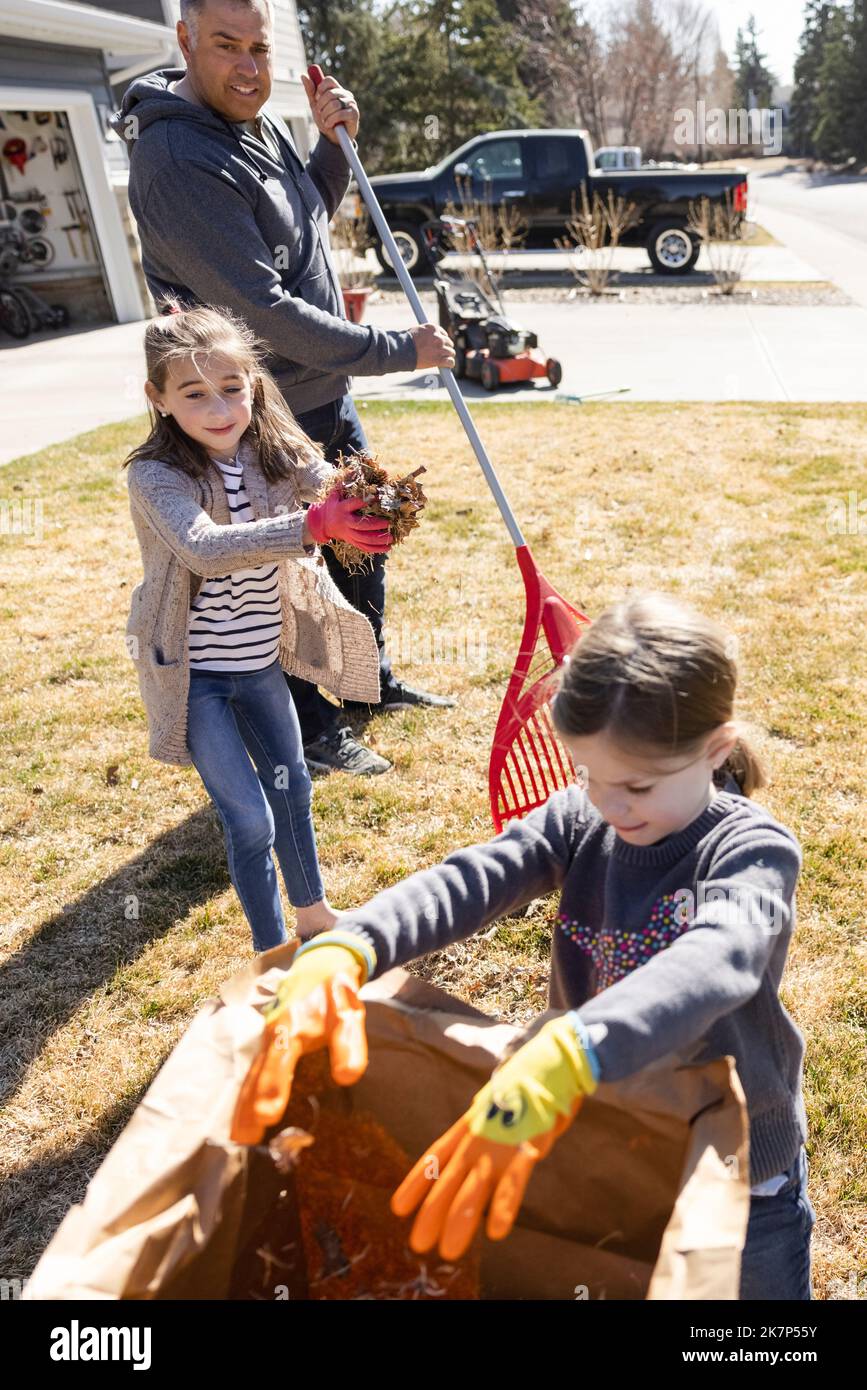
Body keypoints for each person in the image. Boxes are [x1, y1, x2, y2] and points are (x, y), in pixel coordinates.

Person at [231, 593, 815, 1299]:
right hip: (601, 1131)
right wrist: (353, 945)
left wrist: (575, 1048)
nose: (608, 805)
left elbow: (721, 956)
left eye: (634, 785)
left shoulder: (749, 850)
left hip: (739, 1167)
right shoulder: (584, 819)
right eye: (587, 775)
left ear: (714, 749)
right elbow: (472, 881)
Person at [112, 0, 457, 778]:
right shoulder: (176, 161)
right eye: (228, 46)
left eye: (260, 49)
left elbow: (300, 222)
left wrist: (333, 150)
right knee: (288, 577)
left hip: (322, 391)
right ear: (186, 42)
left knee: (363, 542)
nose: (248, 67)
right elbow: (261, 311)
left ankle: (367, 684)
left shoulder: (253, 125)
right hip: (255, 412)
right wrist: (399, 349)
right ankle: (311, 730)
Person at [123, 300, 392, 952]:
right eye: (195, 394)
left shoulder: (270, 441)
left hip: (259, 663)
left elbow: (322, 478)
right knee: (247, 818)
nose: (220, 409)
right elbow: (204, 547)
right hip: (198, 676)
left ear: (253, 383)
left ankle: (314, 917)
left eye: (232, 389)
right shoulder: (156, 475)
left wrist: (358, 499)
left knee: (292, 788)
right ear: (157, 398)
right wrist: (309, 527)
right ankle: (271, 951)